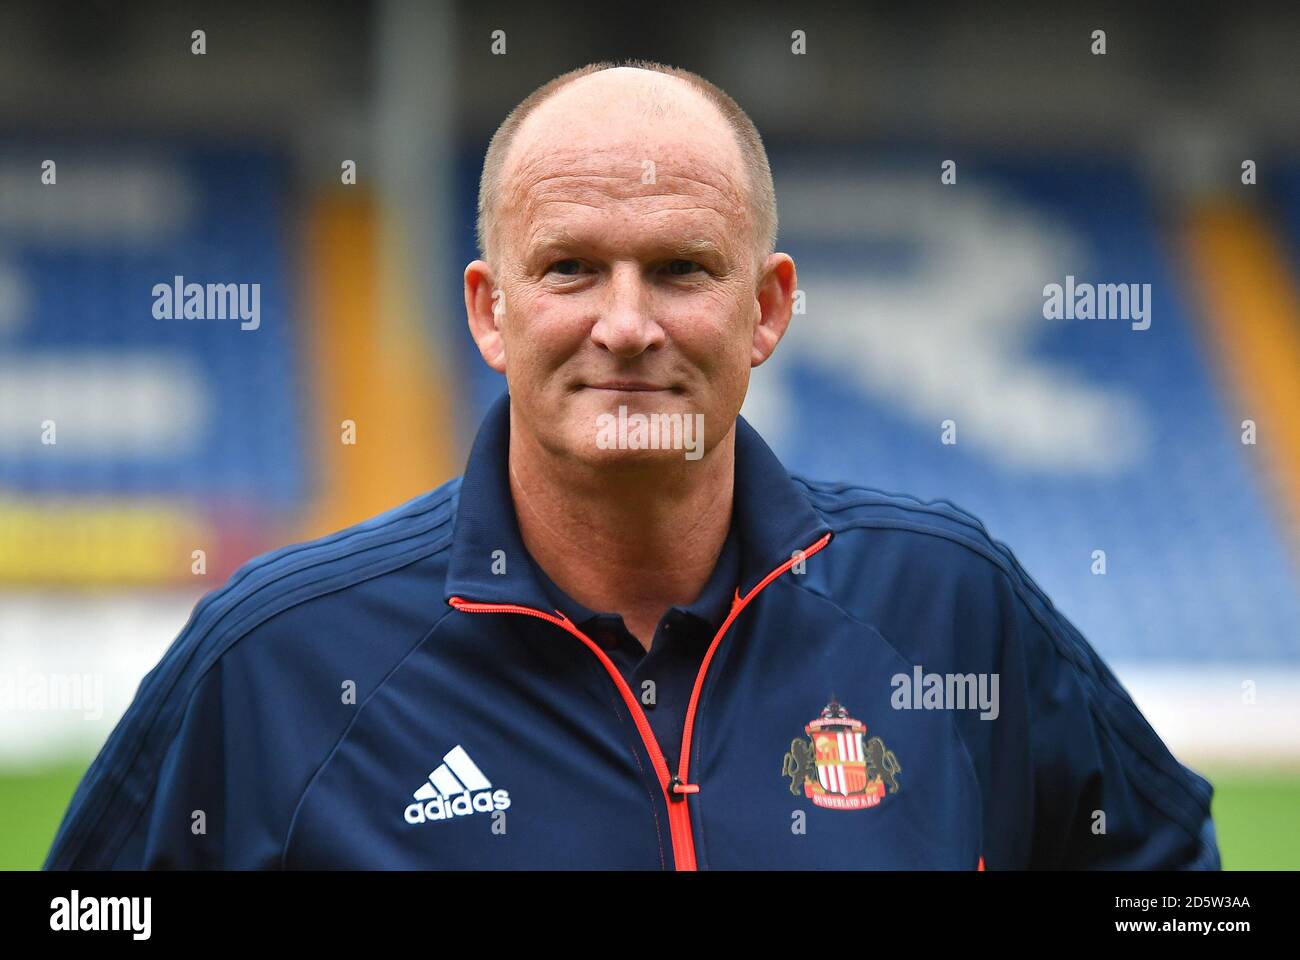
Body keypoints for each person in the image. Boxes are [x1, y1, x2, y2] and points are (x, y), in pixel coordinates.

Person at [44, 60, 1219, 870]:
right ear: (489, 312)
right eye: (567, 269)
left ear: (765, 310)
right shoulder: (272, 661)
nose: (624, 324)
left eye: (679, 270)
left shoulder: (949, 603)